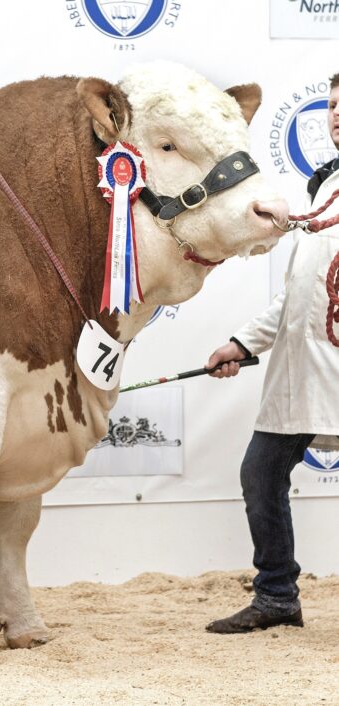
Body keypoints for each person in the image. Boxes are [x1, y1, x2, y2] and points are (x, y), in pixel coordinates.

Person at [203, 73, 339, 634]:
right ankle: (278, 596)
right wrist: (242, 342)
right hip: (302, 372)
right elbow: (297, 291)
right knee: (260, 474)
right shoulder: (322, 187)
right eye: (333, 106)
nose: (337, 114)